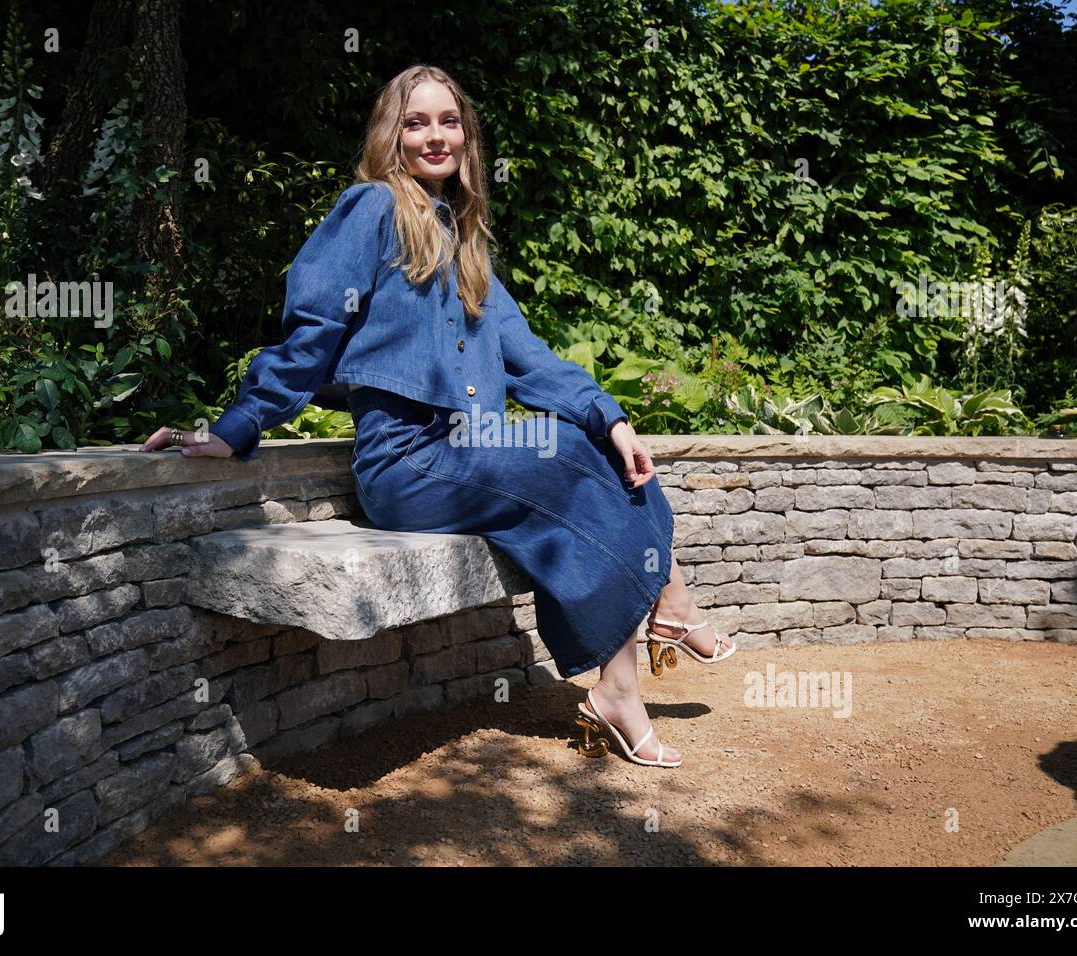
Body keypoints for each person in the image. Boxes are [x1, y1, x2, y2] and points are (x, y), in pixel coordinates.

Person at [141, 65, 736, 767]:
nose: (434, 136)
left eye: (448, 121)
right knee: (570, 455)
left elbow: (528, 356)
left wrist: (612, 417)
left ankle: (624, 680)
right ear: (392, 136)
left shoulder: (466, 242)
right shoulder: (368, 211)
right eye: (416, 122)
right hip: (407, 461)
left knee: (596, 442)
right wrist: (234, 427)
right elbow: (311, 333)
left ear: (466, 136)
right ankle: (668, 610)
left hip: (468, 446)